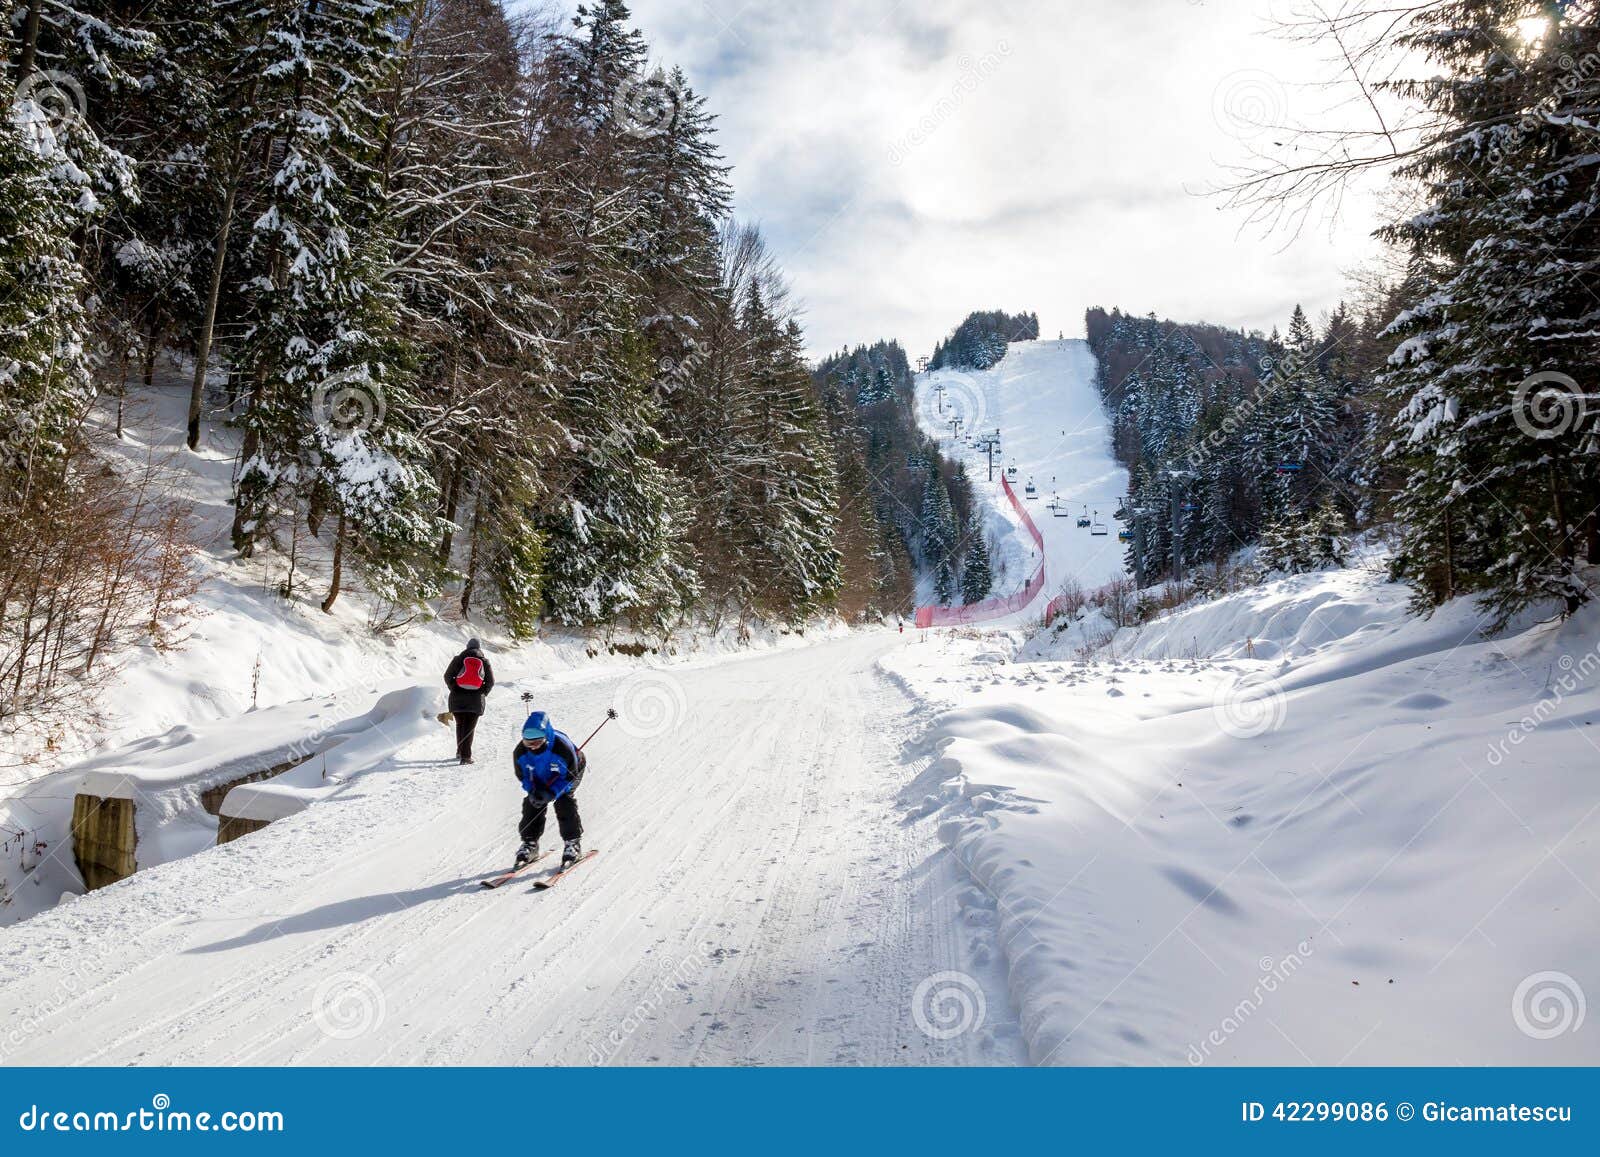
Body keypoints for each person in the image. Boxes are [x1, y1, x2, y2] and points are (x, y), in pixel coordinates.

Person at [512, 710, 586, 869]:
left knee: (563, 800)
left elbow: (569, 777)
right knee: (533, 802)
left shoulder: (562, 749)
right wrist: (532, 791)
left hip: (569, 773)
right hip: (541, 775)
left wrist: (553, 792)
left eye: (537, 742)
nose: (532, 747)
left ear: (546, 737)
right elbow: (523, 776)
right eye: (528, 743)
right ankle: (530, 844)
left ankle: (573, 843)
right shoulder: (520, 752)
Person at [444, 638, 494, 764]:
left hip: (457, 698)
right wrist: (482, 692)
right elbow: (491, 682)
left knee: (460, 725)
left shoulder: (458, 659)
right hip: (475, 699)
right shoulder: (484, 661)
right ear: (479, 648)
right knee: (469, 728)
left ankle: (460, 752)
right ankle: (466, 757)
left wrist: (454, 688)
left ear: (467, 647)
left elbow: (447, 676)